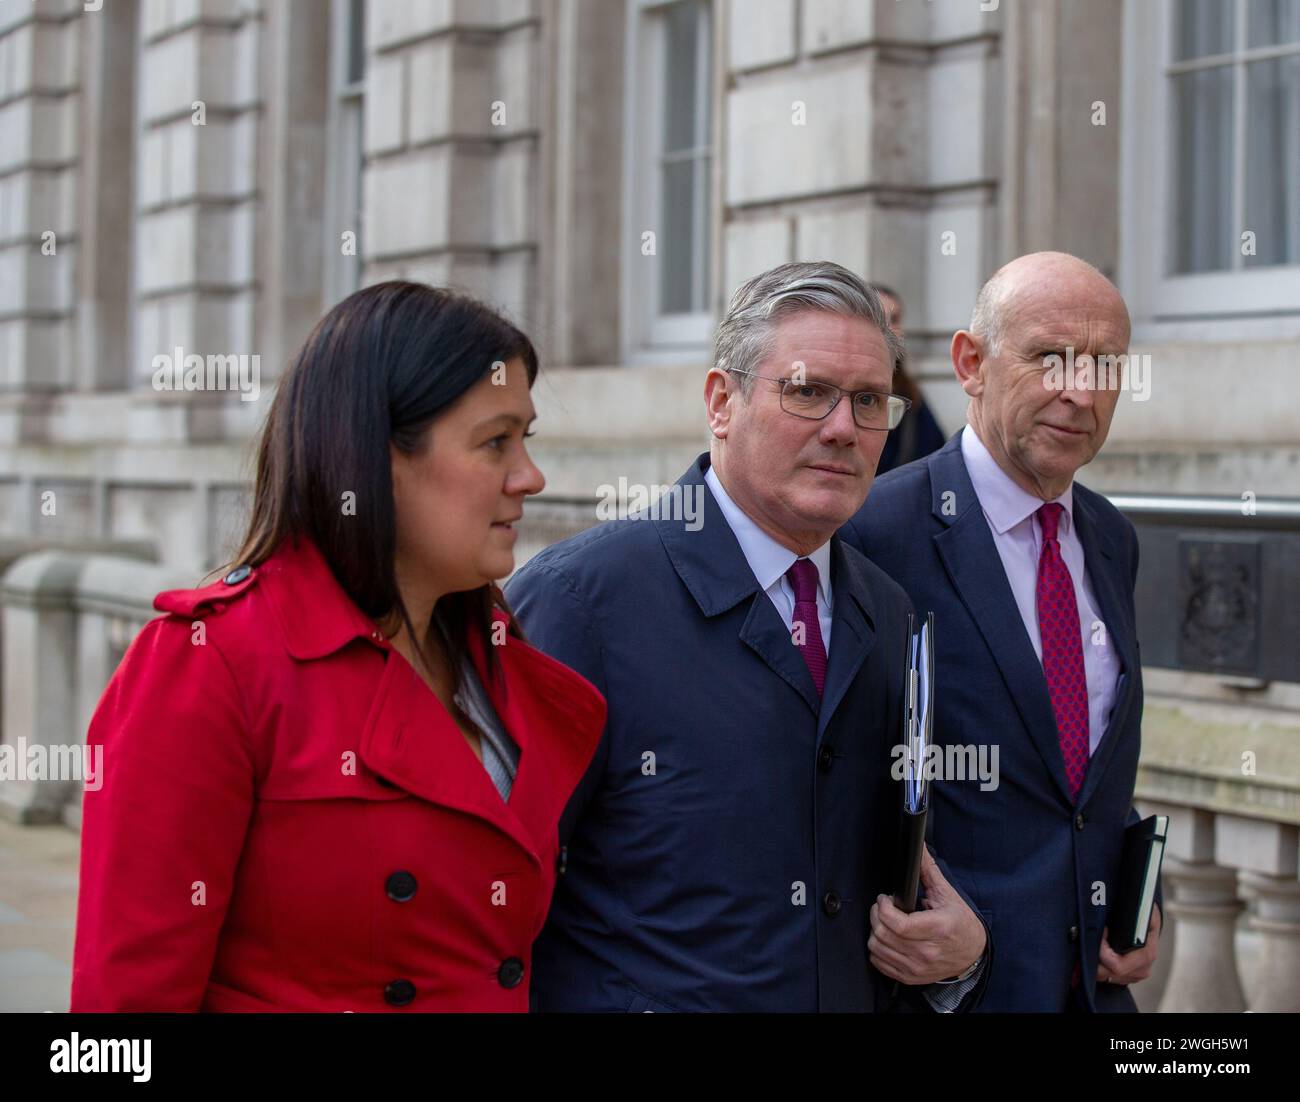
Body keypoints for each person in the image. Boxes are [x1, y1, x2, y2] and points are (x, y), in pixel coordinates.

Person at [70, 282, 606, 1011]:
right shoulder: (209, 660)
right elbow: (124, 1008)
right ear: (377, 454)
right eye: (495, 442)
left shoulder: (506, 667)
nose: (530, 477)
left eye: (526, 440)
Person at [506, 261, 989, 1012]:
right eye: (807, 391)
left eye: (869, 401)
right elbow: (491, 905)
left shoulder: (888, 612)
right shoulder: (580, 603)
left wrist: (957, 958)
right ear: (720, 402)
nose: (843, 428)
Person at [841, 252, 1160, 1012]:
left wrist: (1138, 897)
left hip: (1095, 993)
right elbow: (829, 782)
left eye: (1104, 365)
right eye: (1050, 358)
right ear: (970, 363)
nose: (1080, 392)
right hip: (946, 996)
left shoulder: (1112, 539)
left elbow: (1083, 782)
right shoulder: (872, 532)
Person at [869, 283, 946, 474]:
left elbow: (934, 452)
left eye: (894, 319)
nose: (888, 328)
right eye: (879, 318)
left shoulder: (910, 393)